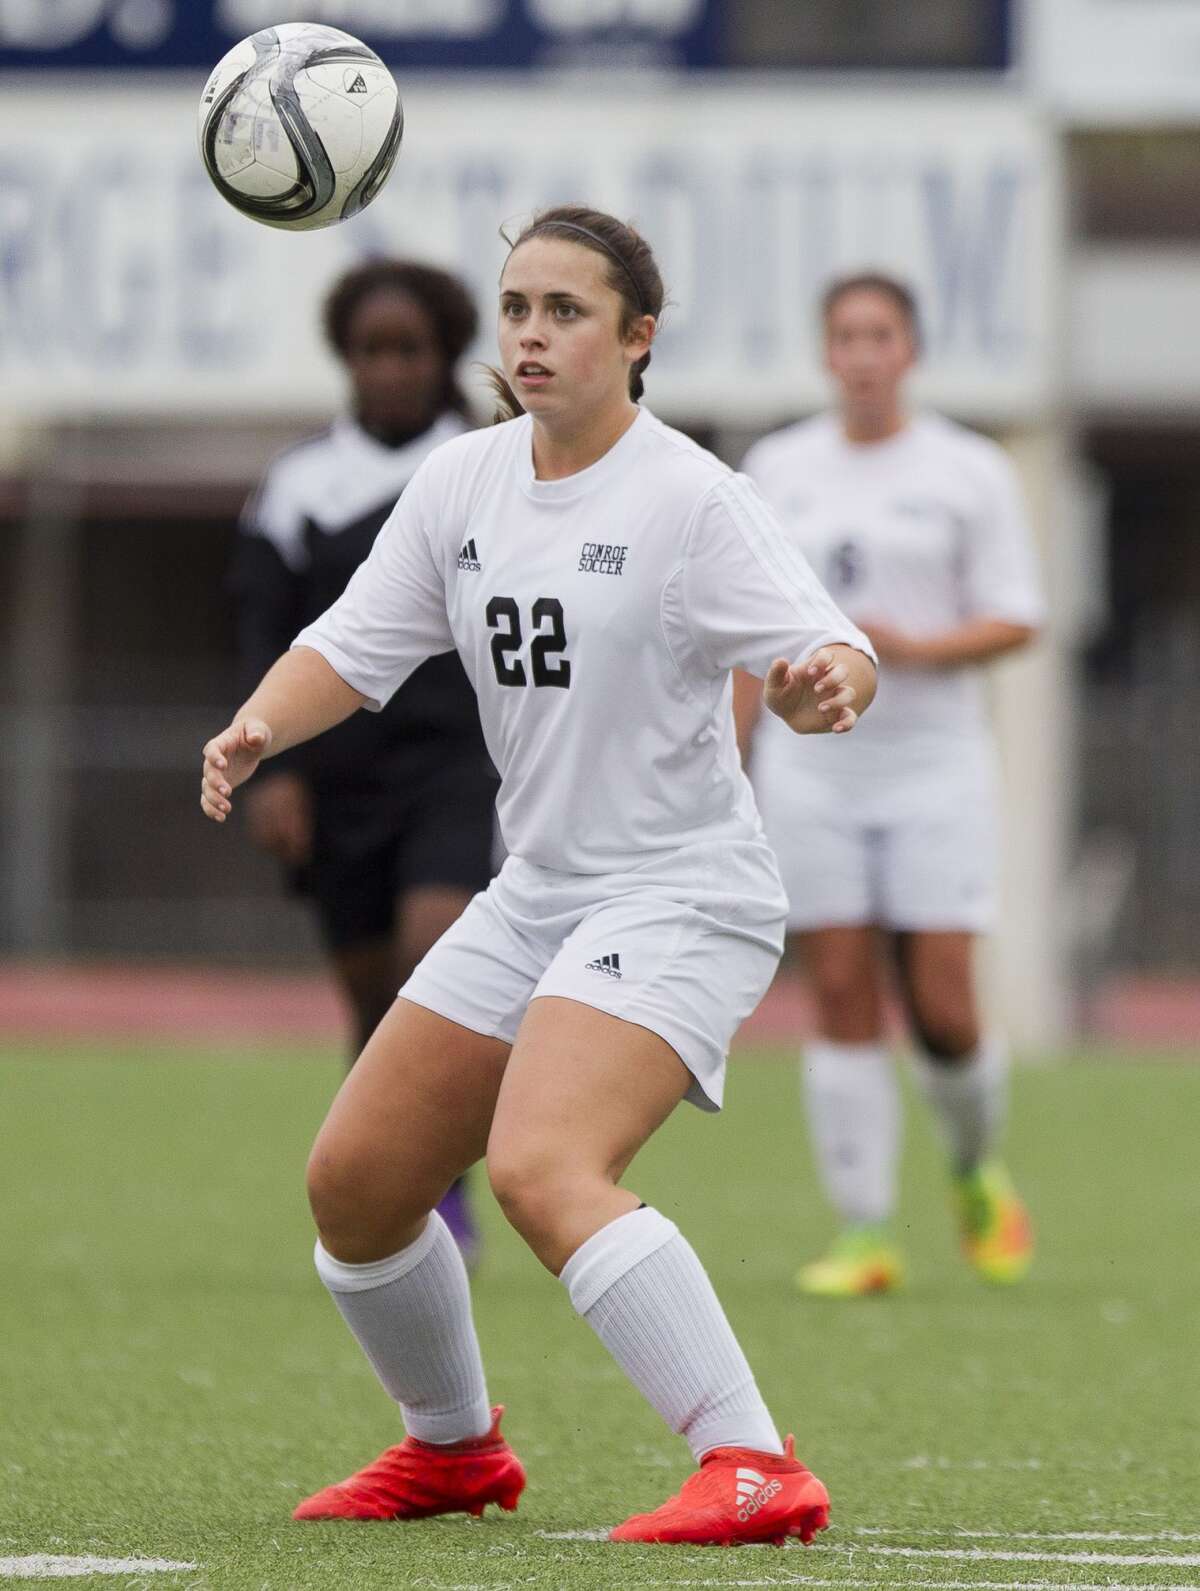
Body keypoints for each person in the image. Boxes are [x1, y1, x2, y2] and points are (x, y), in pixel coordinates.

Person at [201, 204, 877, 1547]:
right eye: (516, 307)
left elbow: (831, 648)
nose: (530, 333)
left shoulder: (692, 496)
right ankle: (453, 1449)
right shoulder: (461, 483)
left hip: (682, 890)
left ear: (637, 338)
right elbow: (353, 644)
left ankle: (751, 1458)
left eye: (565, 310)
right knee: (357, 1180)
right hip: (543, 889)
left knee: (544, 1162)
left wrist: (819, 688)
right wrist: (260, 723)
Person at [737, 272, 1043, 1299]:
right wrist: (733, 760)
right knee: (838, 986)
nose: (863, 354)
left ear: (910, 349)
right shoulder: (777, 468)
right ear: (826, 353)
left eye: (881, 335)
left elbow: (1018, 616)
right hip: (814, 768)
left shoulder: (969, 469)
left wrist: (916, 646)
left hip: (934, 763)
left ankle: (972, 1167)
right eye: (845, 336)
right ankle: (865, 1228)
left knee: (946, 1003)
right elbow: (743, 635)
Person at [230, 259, 498, 1263]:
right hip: (336, 770)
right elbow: (262, 628)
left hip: (458, 756)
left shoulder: (483, 466)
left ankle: (446, 1186)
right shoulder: (303, 484)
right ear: (346, 358)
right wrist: (275, 766)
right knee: (371, 997)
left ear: (442, 361)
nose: (390, 370)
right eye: (371, 351)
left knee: (434, 953)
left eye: (410, 351)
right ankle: (388, 1188)